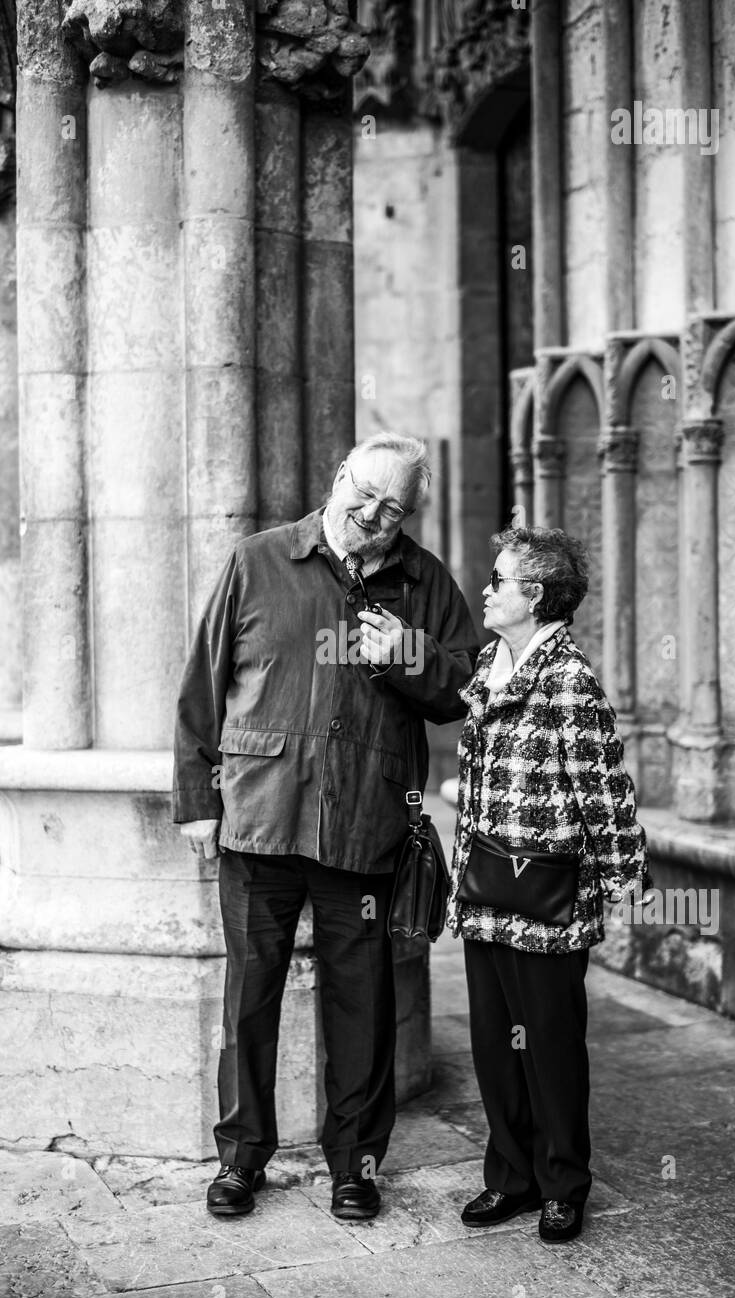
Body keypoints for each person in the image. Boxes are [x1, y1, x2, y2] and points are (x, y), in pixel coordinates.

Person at [173, 432, 479, 1221]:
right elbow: (201, 687)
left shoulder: (425, 580)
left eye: (392, 507)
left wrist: (408, 653)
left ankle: (356, 1164)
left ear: (408, 514)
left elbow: (465, 692)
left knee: (362, 1007)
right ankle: (242, 1160)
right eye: (363, 493)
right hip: (259, 820)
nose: (373, 514)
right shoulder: (257, 560)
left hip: (364, 826)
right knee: (249, 1002)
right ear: (337, 475)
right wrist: (197, 802)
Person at [446, 525, 651, 1242]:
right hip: (483, 887)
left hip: (547, 895)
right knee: (496, 1046)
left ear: (533, 595)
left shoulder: (568, 678)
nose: (487, 588)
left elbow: (602, 787)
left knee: (551, 1046)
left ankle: (563, 1183)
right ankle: (511, 1178)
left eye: (499, 579)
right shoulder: (490, 661)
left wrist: (624, 872)